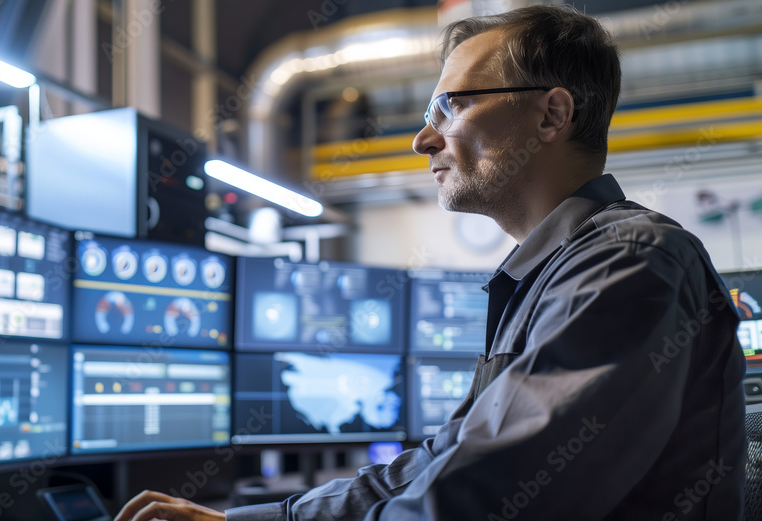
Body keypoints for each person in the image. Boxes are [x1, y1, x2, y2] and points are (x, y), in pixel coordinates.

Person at [114, 5, 747, 520]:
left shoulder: (627, 263)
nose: (423, 139)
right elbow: (444, 461)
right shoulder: (554, 274)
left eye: (452, 106)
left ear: (551, 114)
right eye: (427, 113)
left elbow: (485, 498)